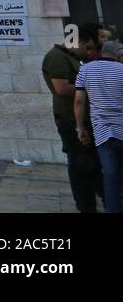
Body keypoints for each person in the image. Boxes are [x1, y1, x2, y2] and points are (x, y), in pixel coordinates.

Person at [43, 22, 103, 212]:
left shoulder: (74, 58)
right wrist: (95, 89)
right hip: (70, 120)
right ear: (77, 42)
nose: (89, 52)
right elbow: (61, 88)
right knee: (81, 166)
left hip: (85, 119)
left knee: (91, 164)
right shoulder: (57, 57)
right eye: (88, 48)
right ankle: (86, 206)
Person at [76, 39, 123, 213]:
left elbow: (79, 101)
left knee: (110, 176)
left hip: (102, 132)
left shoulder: (85, 69)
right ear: (118, 54)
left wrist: (80, 127)